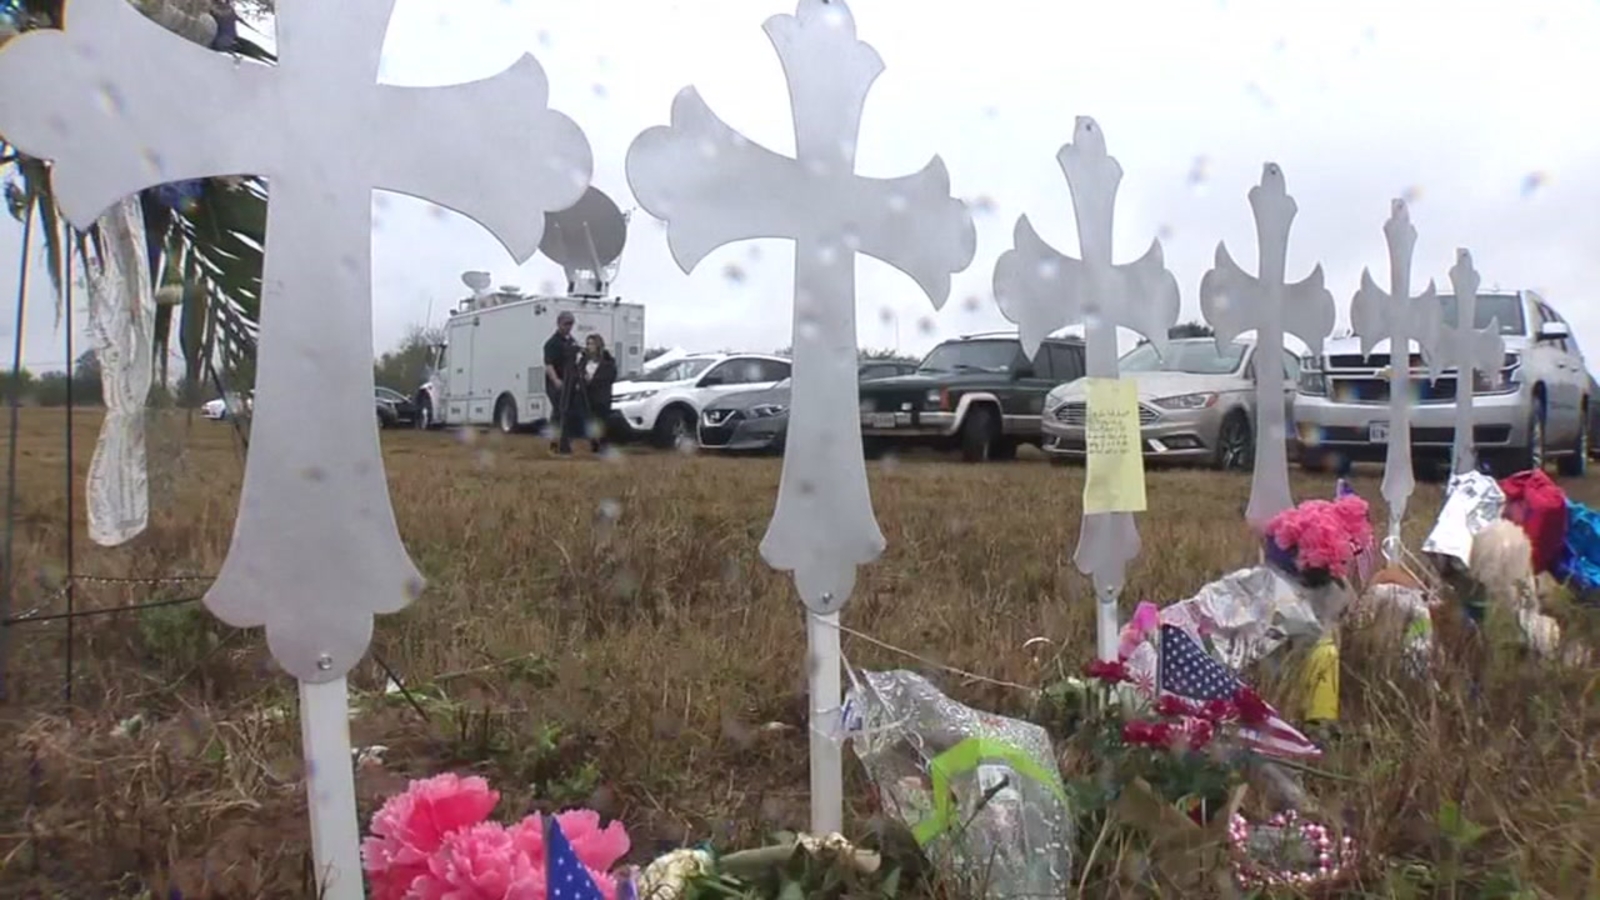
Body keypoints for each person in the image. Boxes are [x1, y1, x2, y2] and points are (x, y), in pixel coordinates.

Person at [543, 311, 583, 454]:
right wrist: (555, 380)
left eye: (571, 324)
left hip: (570, 382)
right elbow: (549, 365)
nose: (569, 327)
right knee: (559, 412)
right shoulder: (551, 343)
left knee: (569, 413)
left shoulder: (572, 341)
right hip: (557, 383)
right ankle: (554, 443)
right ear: (559, 323)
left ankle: (566, 443)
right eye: (566, 324)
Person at [581, 333, 618, 453]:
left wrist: (592, 380)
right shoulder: (584, 360)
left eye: (591, 343)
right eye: (587, 344)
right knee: (590, 421)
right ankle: (594, 444)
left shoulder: (608, 361)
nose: (589, 346)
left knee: (601, 421)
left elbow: (610, 376)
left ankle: (603, 444)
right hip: (588, 396)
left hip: (602, 396)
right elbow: (578, 372)